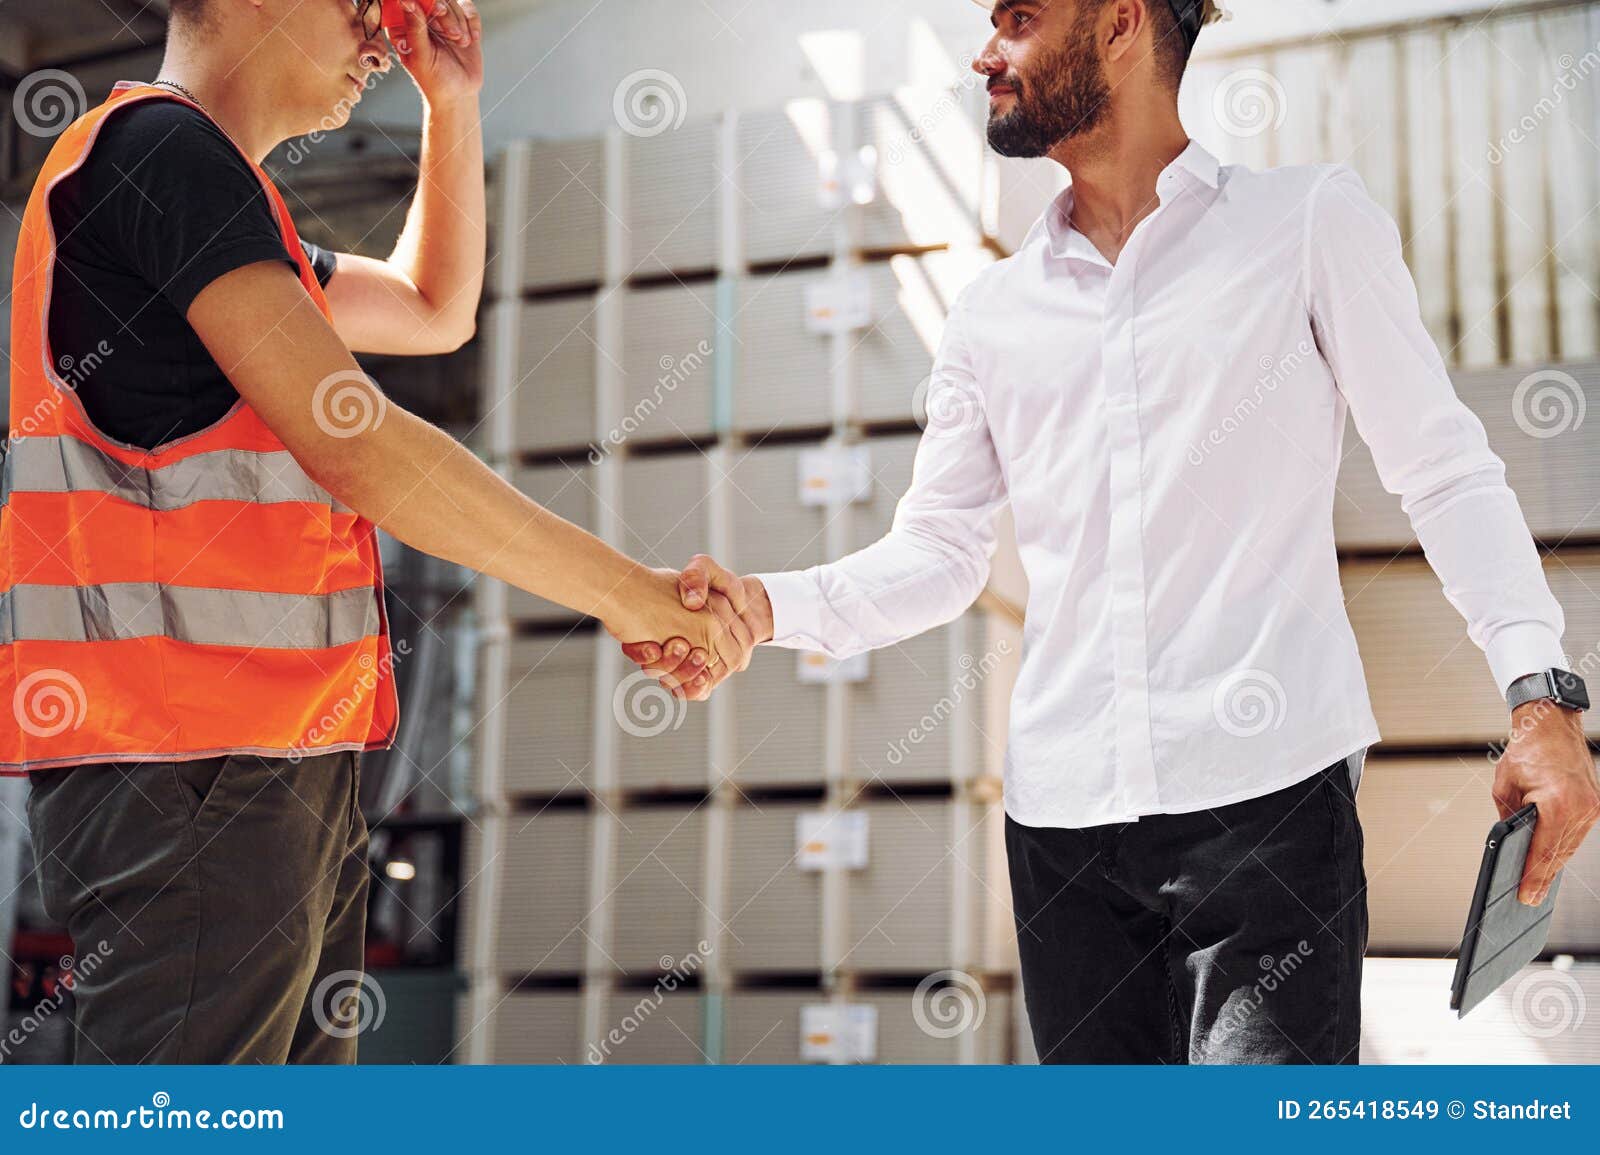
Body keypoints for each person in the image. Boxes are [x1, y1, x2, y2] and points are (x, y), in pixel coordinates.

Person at [625, 0, 1599, 1063]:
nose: (982, 51)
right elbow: (939, 553)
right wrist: (769, 608)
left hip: (1266, 811)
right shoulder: (989, 313)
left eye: (1019, 19)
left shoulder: (1306, 222)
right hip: (1061, 832)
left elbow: (1441, 470)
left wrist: (1538, 699)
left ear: (1123, 23)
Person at [3, 0, 747, 1063]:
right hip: (192, 767)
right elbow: (361, 444)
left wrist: (452, 103)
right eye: (357, 5)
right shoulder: (157, 154)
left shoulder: (211, 200)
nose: (376, 38)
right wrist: (629, 592)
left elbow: (433, 306)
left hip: (259, 767)